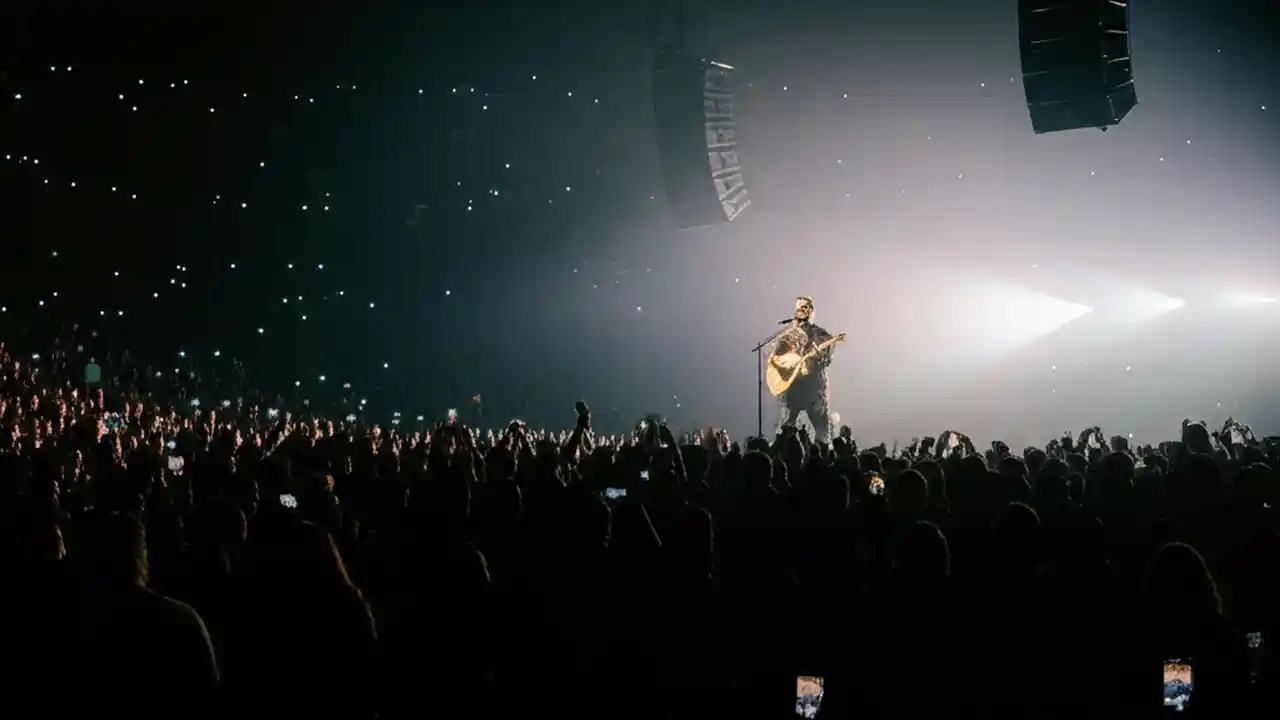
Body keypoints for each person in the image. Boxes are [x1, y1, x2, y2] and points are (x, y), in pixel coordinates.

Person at [771, 296, 837, 443]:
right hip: (794, 387)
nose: (801, 311)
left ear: (811, 311)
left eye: (805, 307)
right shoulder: (788, 336)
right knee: (787, 425)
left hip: (814, 389)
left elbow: (827, 357)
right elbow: (778, 357)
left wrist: (818, 354)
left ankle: (823, 455)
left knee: (821, 428)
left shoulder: (821, 335)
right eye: (798, 307)